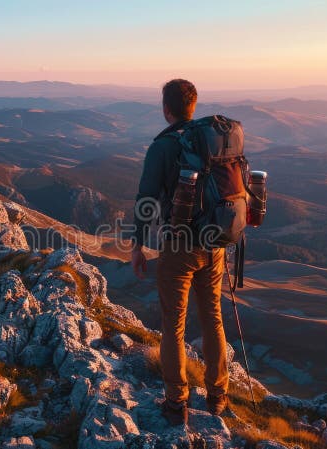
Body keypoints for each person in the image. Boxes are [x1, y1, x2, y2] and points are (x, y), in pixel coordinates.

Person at [131, 79, 229, 426]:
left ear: (166, 109)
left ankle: (176, 403)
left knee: (173, 326)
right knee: (212, 317)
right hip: (214, 244)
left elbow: (146, 198)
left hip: (179, 247)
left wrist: (138, 245)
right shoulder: (211, 140)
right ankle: (217, 396)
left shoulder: (165, 146)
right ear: (193, 105)